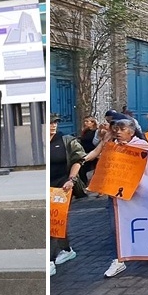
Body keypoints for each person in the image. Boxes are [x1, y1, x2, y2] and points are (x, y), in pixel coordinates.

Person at [87, 119, 148, 279]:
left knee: (139, 223)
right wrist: (81, 161)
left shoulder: (141, 145)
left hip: (136, 194)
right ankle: (118, 260)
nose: (119, 132)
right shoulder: (110, 144)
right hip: (115, 194)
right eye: (117, 129)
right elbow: (95, 155)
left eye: (122, 129)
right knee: (116, 227)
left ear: (131, 132)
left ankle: (145, 250)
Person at [49, 114, 86, 275]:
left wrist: (71, 179)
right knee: (57, 223)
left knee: (53, 221)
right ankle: (66, 249)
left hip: (61, 187)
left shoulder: (66, 140)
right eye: (49, 123)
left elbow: (79, 159)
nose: (53, 126)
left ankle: (49, 260)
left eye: (55, 123)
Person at [77, 115, 101, 182]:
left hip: (92, 152)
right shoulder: (85, 131)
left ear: (93, 122)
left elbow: (97, 142)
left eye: (88, 121)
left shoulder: (96, 132)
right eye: (85, 121)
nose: (86, 123)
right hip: (84, 151)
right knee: (82, 169)